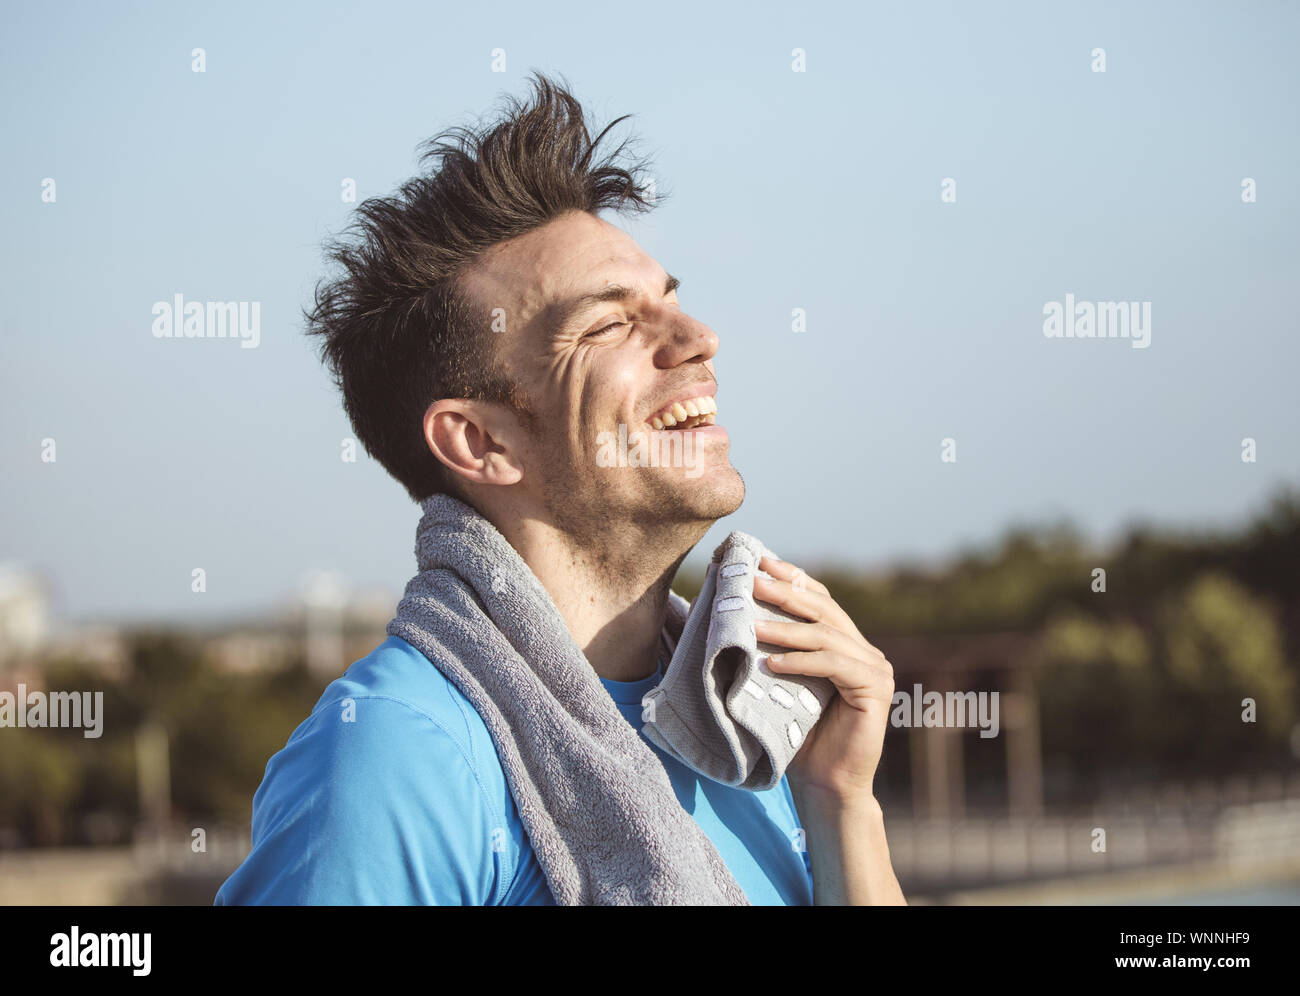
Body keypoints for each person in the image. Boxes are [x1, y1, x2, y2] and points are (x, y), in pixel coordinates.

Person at [215, 71, 904, 906]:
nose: (698, 339)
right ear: (481, 442)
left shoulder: (746, 730)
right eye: (611, 323)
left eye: (670, 303)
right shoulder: (397, 755)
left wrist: (842, 803)